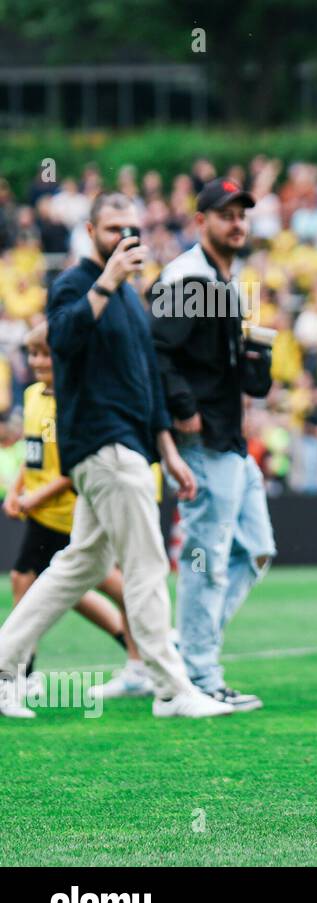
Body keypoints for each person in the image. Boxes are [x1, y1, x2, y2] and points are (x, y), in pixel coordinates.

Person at [0, 193, 230, 720]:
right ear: (89, 231)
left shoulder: (130, 297)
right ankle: (172, 688)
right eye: (112, 228)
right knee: (146, 566)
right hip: (102, 445)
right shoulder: (77, 284)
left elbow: (147, 384)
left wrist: (168, 453)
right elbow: (61, 337)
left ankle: (3, 666)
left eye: (132, 227)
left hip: (128, 448)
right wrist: (105, 281)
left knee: (79, 565)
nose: (125, 236)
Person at [153, 178, 275, 711]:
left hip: (230, 439)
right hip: (204, 442)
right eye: (226, 214)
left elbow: (242, 376)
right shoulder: (188, 278)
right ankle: (199, 675)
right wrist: (184, 411)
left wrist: (256, 359)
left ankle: (185, 650)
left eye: (242, 214)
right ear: (200, 221)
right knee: (208, 558)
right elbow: (155, 350)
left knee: (256, 549)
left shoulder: (225, 277)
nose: (237, 223)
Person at [3, 322, 151, 706]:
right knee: (44, 581)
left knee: (63, 581)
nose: (37, 362)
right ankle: (136, 650)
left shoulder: (71, 403)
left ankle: (21, 674)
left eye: (45, 354)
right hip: (42, 511)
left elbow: (73, 471)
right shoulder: (34, 397)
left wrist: (35, 498)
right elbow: (32, 452)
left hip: (66, 513)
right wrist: (18, 490)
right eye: (32, 354)